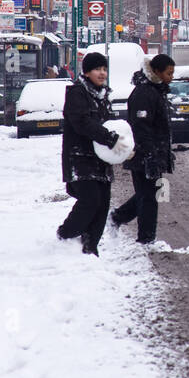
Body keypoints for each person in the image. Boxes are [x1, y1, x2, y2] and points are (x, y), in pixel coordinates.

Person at [57, 50, 122, 256]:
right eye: (97, 69)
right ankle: (65, 235)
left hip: (101, 159)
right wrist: (108, 137)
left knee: (103, 204)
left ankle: (90, 247)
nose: (102, 73)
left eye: (104, 69)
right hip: (80, 158)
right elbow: (82, 123)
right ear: (86, 72)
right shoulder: (78, 93)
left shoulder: (103, 95)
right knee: (91, 200)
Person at [111, 52, 175, 247]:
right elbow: (141, 128)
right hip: (144, 154)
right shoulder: (145, 93)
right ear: (156, 71)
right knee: (149, 196)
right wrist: (149, 155)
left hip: (151, 153)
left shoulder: (155, 91)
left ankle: (117, 218)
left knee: (147, 194)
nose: (171, 77)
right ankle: (146, 238)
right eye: (169, 73)